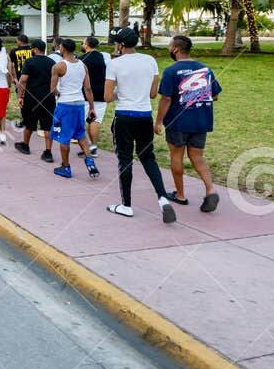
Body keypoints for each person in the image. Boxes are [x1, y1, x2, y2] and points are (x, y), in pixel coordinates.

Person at [103, 27, 175, 223]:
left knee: (124, 160)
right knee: (148, 158)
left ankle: (126, 205)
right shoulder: (150, 61)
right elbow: (153, 94)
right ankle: (162, 198)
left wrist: (120, 93)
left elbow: (107, 96)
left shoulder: (114, 63)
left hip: (124, 116)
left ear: (121, 45)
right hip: (145, 115)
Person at [157, 35, 221, 212]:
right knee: (197, 157)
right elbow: (214, 95)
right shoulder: (205, 69)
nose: (169, 49)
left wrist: (158, 122)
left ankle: (180, 195)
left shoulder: (171, 71)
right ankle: (210, 189)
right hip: (201, 120)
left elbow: (166, 98)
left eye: (170, 46)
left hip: (178, 122)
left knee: (176, 156)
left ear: (176, 49)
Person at [49, 39, 94, 179]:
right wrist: (92, 107)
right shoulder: (83, 65)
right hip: (80, 104)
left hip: (65, 105)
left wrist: (59, 94)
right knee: (81, 135)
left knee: (64, 137)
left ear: (62, 48)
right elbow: (87, 88)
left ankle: (66, 166)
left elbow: (52, 90)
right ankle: (90, 160)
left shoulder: (58, 66)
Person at [13, 39, 55, 161]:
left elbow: (23, 80)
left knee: (29, 123)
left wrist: (20, 96)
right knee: (47, 126)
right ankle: (48, 152)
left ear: (35, 49)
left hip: (32, 98)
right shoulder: (52, 62)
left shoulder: (30, 62)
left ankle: (25, 145)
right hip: (48, 97)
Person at [80, 36, 111, 157]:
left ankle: (88, 146)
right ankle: (93, 146)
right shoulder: (104, 58)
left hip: (85, 93)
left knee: (81, 121)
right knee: (95, 120)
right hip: (101, 92)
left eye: (83, 43)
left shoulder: (81, 59)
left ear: (87, 44)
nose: (82, 45)